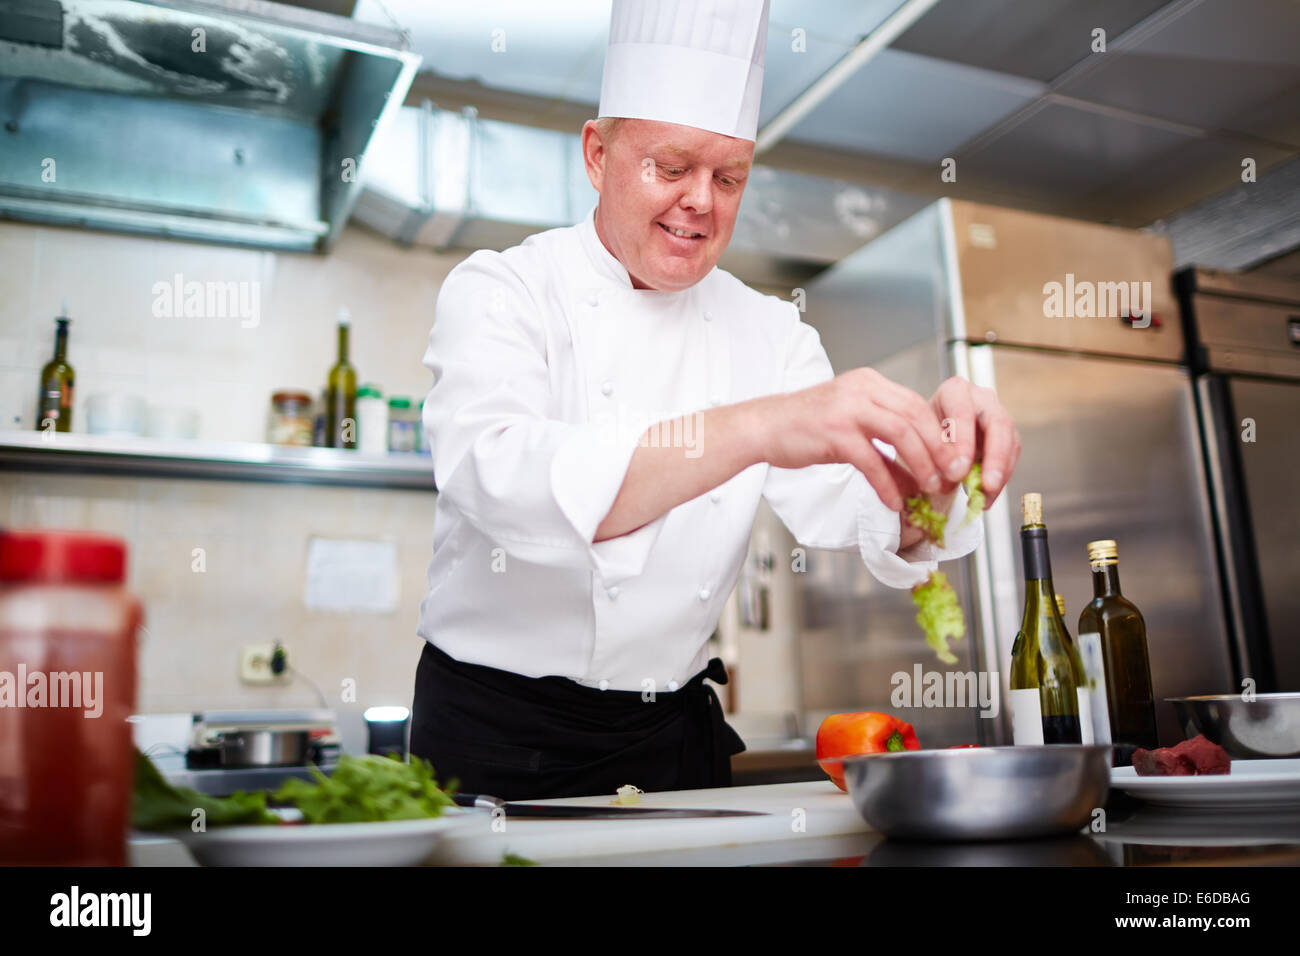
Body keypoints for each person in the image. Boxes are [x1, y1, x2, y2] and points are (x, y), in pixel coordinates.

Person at [410, 0, 1021, 800]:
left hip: (671, 742)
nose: (703, 199)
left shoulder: (768, 331)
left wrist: (939, 467)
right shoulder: (505, 290)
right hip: (493, 733)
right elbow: (504, 483)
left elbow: (862, 508)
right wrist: (761, 425)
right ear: (597, 154)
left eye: (729, 176)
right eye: (671, 167)